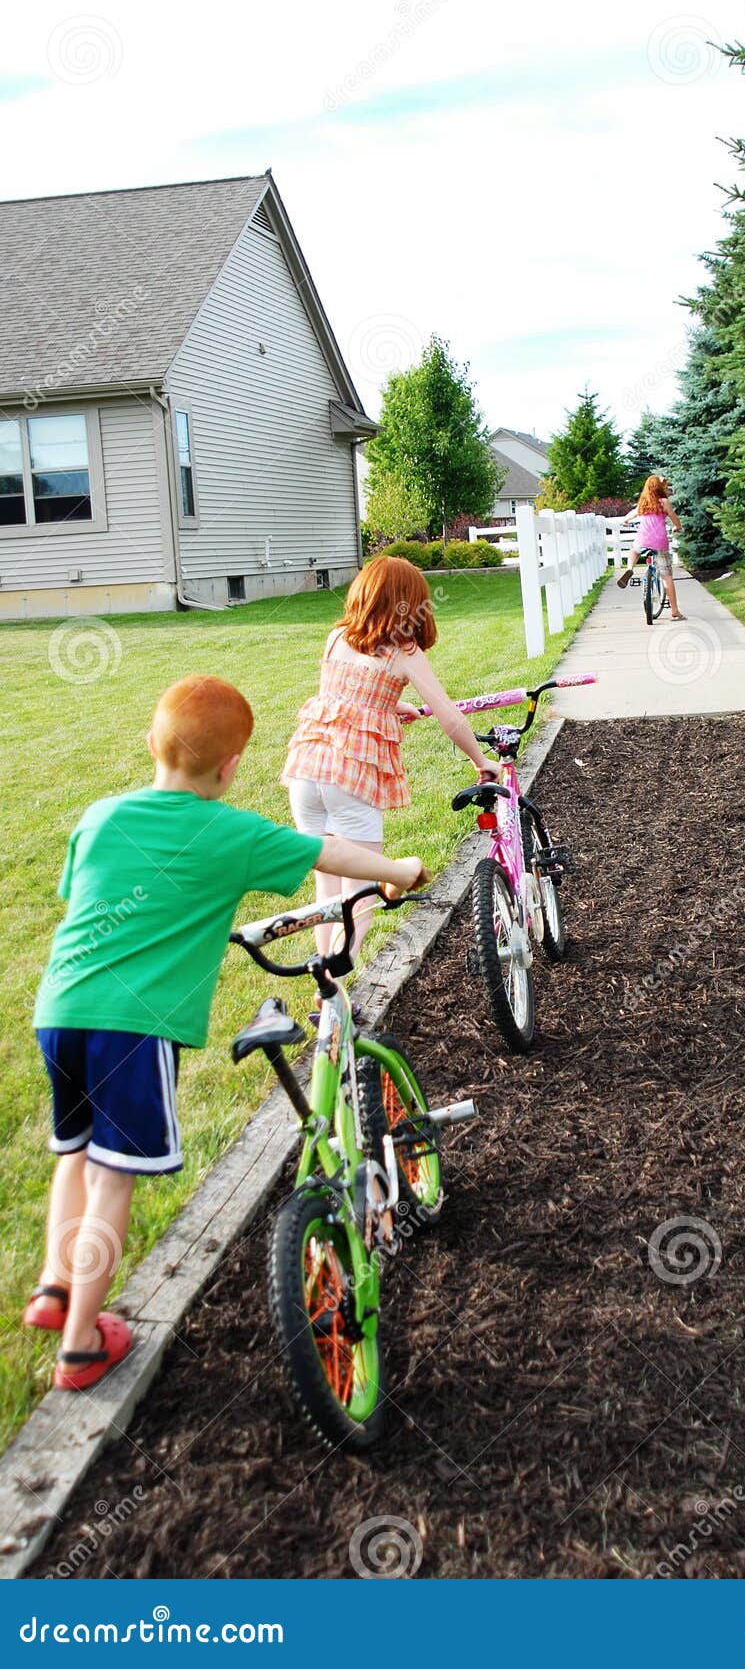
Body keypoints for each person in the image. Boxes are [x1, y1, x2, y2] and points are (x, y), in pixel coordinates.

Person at [27, 674, 427, 1391]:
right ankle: (82, 1344)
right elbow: (329, 854)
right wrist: (398, 869)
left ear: (151, 742)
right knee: (116, 1177)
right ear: (232, 766)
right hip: (131, 1031)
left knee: (76, 1155)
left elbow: (75, 897)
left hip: (59, 1011)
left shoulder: (101, 815)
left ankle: (56, 1285)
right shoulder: (231, 833)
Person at [283, 554, 499, 960]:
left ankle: (327, 988)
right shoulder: (404, 651)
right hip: (350, 775)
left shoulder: (337, 637)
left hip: (306, 770)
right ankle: (335, 976)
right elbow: (450, 717)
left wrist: (391, 706)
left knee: (326, 881)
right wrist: (479, 759)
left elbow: (342, 697)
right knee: (362, 886)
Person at [616, 474, 685, 619]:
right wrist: (677, 527)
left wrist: (626, 521)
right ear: (661, 488)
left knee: (634, 551)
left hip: (643, 540)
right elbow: (673, 517)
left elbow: (629, 516)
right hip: (659, 542)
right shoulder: (664, 502)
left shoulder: (643, 503)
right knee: (667, 577)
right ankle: (675, 611)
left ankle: (629, 568)